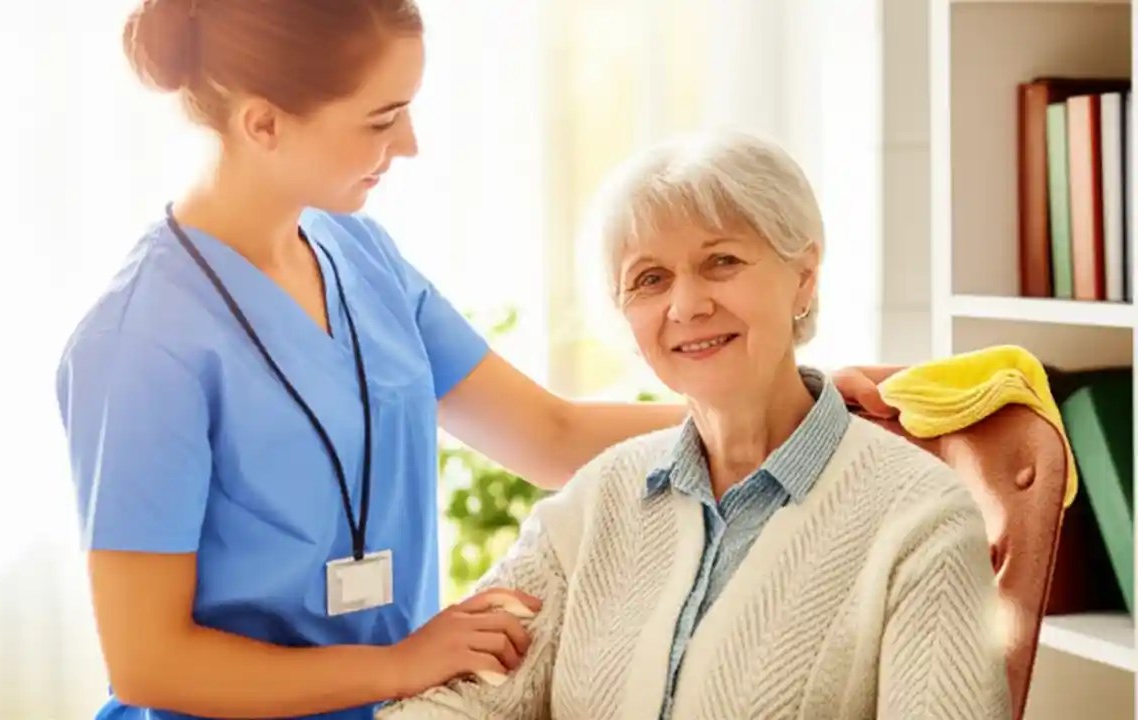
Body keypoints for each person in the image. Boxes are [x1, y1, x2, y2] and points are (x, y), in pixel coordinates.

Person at [54, 1, 894, 718]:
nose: (410, 143)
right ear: (263, 123)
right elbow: (149, 663)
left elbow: (551, 436)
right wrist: (395, 665)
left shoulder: (358, 254)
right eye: (381, 119)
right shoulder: (139, 343)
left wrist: (794, 403)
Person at [377, 132, 1011, 719]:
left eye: (722, 262)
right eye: (650, 279)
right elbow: (457, 702)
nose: (686, 305)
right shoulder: (593, 505)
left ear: (804, 277)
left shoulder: (922, 518)